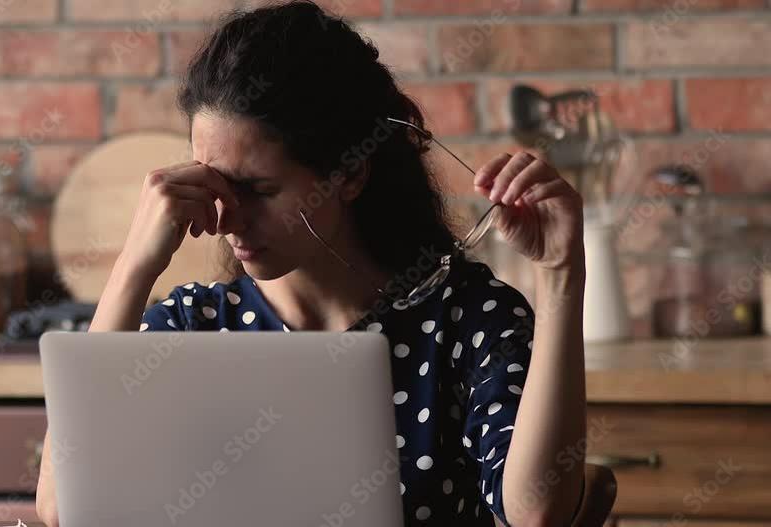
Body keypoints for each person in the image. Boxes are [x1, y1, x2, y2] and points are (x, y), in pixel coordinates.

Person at [36, 1, 588, 525]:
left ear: (348, 173)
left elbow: (536, 511)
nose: (228, 218)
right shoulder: (191, 327)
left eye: (257, 188)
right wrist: (135, 266)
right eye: (216, 185)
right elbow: (62, 509)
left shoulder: (466, 317)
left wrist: (561, 276)